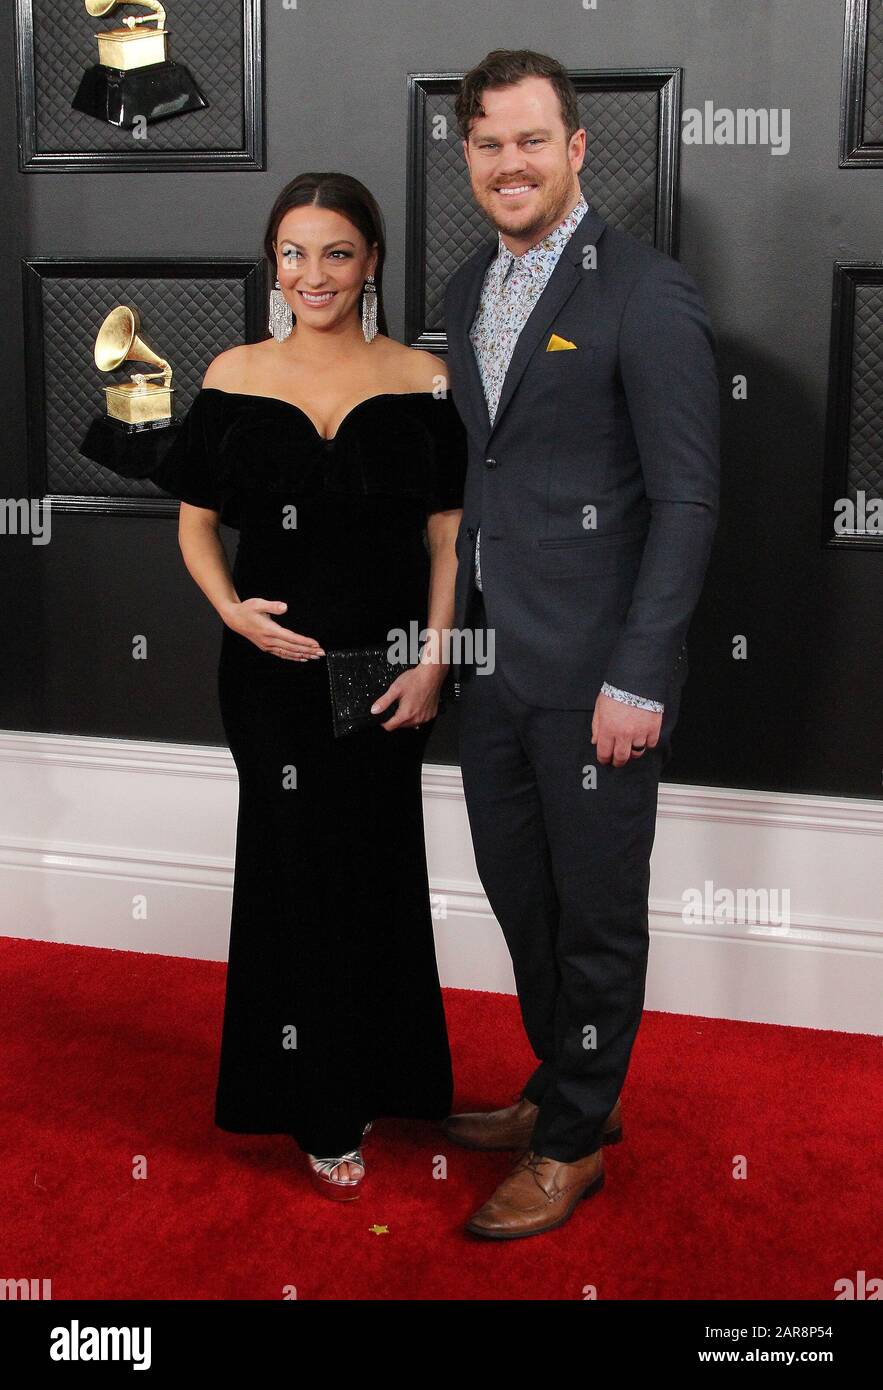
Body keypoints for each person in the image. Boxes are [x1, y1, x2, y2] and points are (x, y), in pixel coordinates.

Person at [442, 50, 720, 1238]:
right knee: (523, 899)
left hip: (599, 679)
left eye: (530, 140)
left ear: (575, 149)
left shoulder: (643, 290)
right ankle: (566, 1085)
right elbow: (481, 476)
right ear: (468, 157)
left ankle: (572, 1145)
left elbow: (689, 499)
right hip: (493, 673)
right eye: (488, 143)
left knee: (596, 915)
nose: (510, 162)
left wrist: (637, 673)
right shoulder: (463, 291)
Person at [146, 173, 467, 1198]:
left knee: (371, 871)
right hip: (271, 673)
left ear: (371, 261)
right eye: (293, 253)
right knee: (295, 877)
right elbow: (196, 522)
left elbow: (448, 536)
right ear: (273, 264)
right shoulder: (234, 370)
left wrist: (432, 657)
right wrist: (231, 611)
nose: (312, 274)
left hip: (386, 667)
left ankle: (380, 1075)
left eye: (335, 252)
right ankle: (318, 1106)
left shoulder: (423, 378)